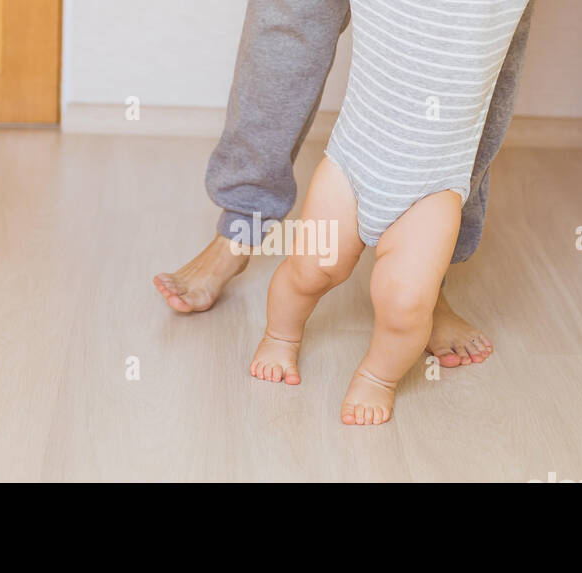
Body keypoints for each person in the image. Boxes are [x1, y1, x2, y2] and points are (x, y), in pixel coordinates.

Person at [154, 0, 534, 369]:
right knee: (290, 9)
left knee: (479, 36)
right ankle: (241, 227)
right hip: (350, 160)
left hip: (438, 178)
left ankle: (424, 279)